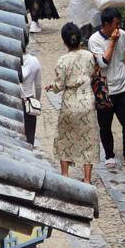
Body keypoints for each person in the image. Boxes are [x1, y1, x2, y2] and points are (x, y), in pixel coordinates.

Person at [88, 7, 125, 169]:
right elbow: (103, 63)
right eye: (115, 24)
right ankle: (109, 155)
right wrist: (112, 41)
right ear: (106, 24)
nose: (118, 28)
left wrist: (122, 64)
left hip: (124, 86)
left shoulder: (123, 35)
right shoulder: (94, 40)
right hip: (105, 88)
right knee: (105, 125)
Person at [46, 23, 96, 183]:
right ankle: (87, 178)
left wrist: (51, 87)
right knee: (88, 140)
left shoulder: (63, 60)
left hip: (70, 103)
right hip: (87, 101)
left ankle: (65, 175)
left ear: (64, 41)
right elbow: (92, 73)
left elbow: (59, 85)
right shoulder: (89, 56)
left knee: (64, 138)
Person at [20, 37, 42, 145]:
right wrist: (37, 101)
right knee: (29, 137)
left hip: (15, 100)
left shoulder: (12, 61)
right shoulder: (34, 61)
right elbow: (38, 86)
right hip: (29, 102)